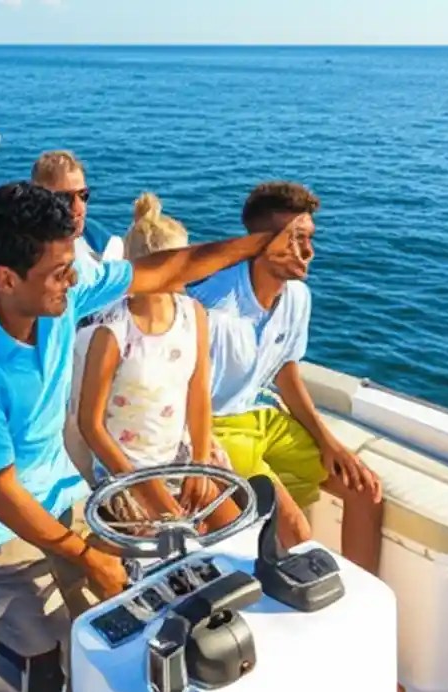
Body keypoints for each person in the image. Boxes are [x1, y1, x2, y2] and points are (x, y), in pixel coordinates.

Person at [0, 181, 306, 692]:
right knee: (48, 649)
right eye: (59, 272)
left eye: (71, 267)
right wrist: (86, 555)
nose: (73, 280)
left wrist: (258, 244)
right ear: (6, 278)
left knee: (120, 625)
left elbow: (171, 270)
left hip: (62, 489)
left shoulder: (63, 290)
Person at [187, 181, 407, 692]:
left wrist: (329, 441)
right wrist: (202, 454)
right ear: (262, 242)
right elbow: (186, 392)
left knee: (364, 491)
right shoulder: (213, 307)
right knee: (296, 531)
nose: (310, 251)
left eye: (311, 237)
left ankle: (360, 635)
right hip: (217, 427)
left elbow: (285, 372)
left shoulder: (298, 297)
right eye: (297, 238)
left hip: (265, 416)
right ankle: (331, 657)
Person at [76, 192, 310, 544]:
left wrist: (200, 464)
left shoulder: (193, 314)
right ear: (154, 270)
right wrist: (151, 495)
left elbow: (198, 392)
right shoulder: (113, 333)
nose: (191, 274)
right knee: (179, 548)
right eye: (181, 264)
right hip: (128, 471)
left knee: (240, 539)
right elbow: (90, 426)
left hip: (185, 457)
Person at [30, 150, 123, 270]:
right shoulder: (21, 253)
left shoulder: (101, 242)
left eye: (83, 195)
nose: (78, 207)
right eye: (65, 198)